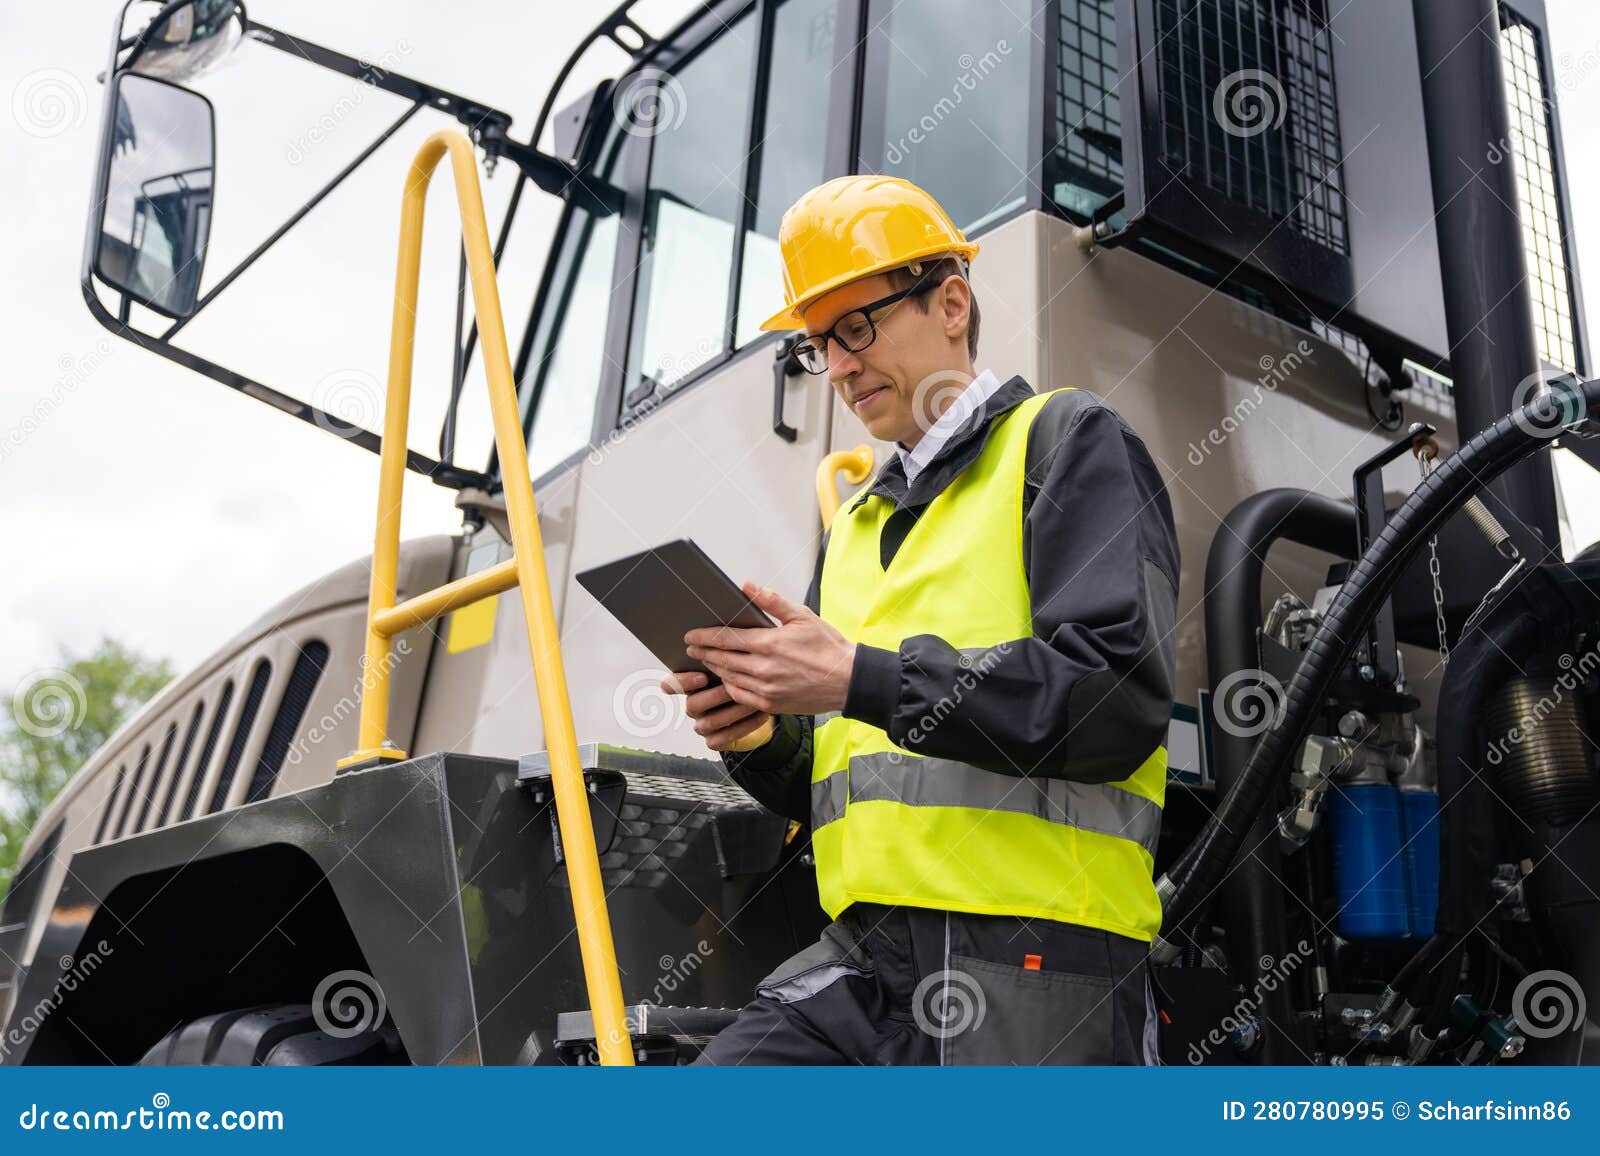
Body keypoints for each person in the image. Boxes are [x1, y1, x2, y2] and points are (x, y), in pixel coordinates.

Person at [660, 174, 1179, 1065]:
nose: (839, 367)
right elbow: (847, 783)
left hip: (1036, 955)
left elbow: (1114, 703)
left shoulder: (1065, 443)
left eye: (854, 328)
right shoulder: (854, 524)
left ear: (949, 303)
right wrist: (756, 737)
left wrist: (856, 675)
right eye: (819, 344)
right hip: (866, 961)